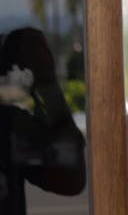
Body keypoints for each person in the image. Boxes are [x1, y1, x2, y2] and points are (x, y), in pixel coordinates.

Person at [0, 28, 86, 214]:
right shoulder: (8, 126)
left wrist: (47, 83)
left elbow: (70, 178)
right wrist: (46, 82)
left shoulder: (8, 128)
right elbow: (71, 178)